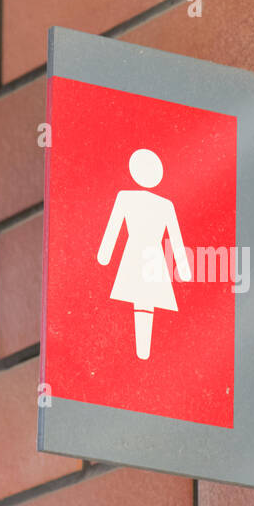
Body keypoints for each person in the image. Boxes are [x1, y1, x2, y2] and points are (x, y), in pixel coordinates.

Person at [96, 148, 192, 360]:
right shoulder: (162, 204)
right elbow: (175, 239)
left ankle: (143, 353)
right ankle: (141, 352)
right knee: (145, 301)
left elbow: (114, 229)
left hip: (140, 253)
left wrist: (105, 255)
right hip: (150, 254)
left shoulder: (131, 199)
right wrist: (183, 269)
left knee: (141, 300)